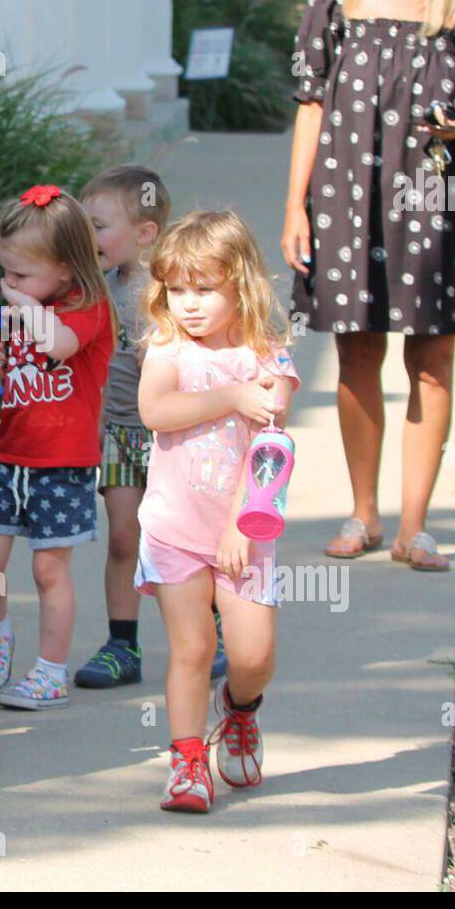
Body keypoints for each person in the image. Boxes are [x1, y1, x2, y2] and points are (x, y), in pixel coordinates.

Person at [281, 0, 455, 571]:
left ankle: (415, 527)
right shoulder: (335, 4)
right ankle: (362, 512)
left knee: (434, 362)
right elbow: (311, 107)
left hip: (436, 199)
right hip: (347, 199)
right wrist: (296, 206)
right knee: (355, 356)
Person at [136, 211, 299, 813]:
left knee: (253, 655)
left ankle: (239, 710)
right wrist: (231, 397)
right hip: (175, 527)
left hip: (245, 530)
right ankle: (186, 764)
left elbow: (269, 456)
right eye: (177, 290)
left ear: (242, 285)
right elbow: (156, 412)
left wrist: (238, 523)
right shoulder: (168, 350)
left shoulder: (268, 361)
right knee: (193, 647)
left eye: (204, 290)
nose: (189, 305)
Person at [0, 184, 113, 710]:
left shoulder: (86, 309)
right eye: (6, 272)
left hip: (62, 465)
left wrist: (21, 304)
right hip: (7, 457)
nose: (7, 284)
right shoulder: (19, 306)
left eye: (20, 275)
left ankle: (50, 671)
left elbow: (57, 345)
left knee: (49, 571)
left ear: (66, 269)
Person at [71, 165, 170, 689]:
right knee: (123, 538)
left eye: (99, 227)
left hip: (172, 437)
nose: (90, 239)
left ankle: (218, 629)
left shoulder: (170, 293)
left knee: (188, 541)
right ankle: (122, 645)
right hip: (116, 433)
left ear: (145, 232)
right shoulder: (96, 289)